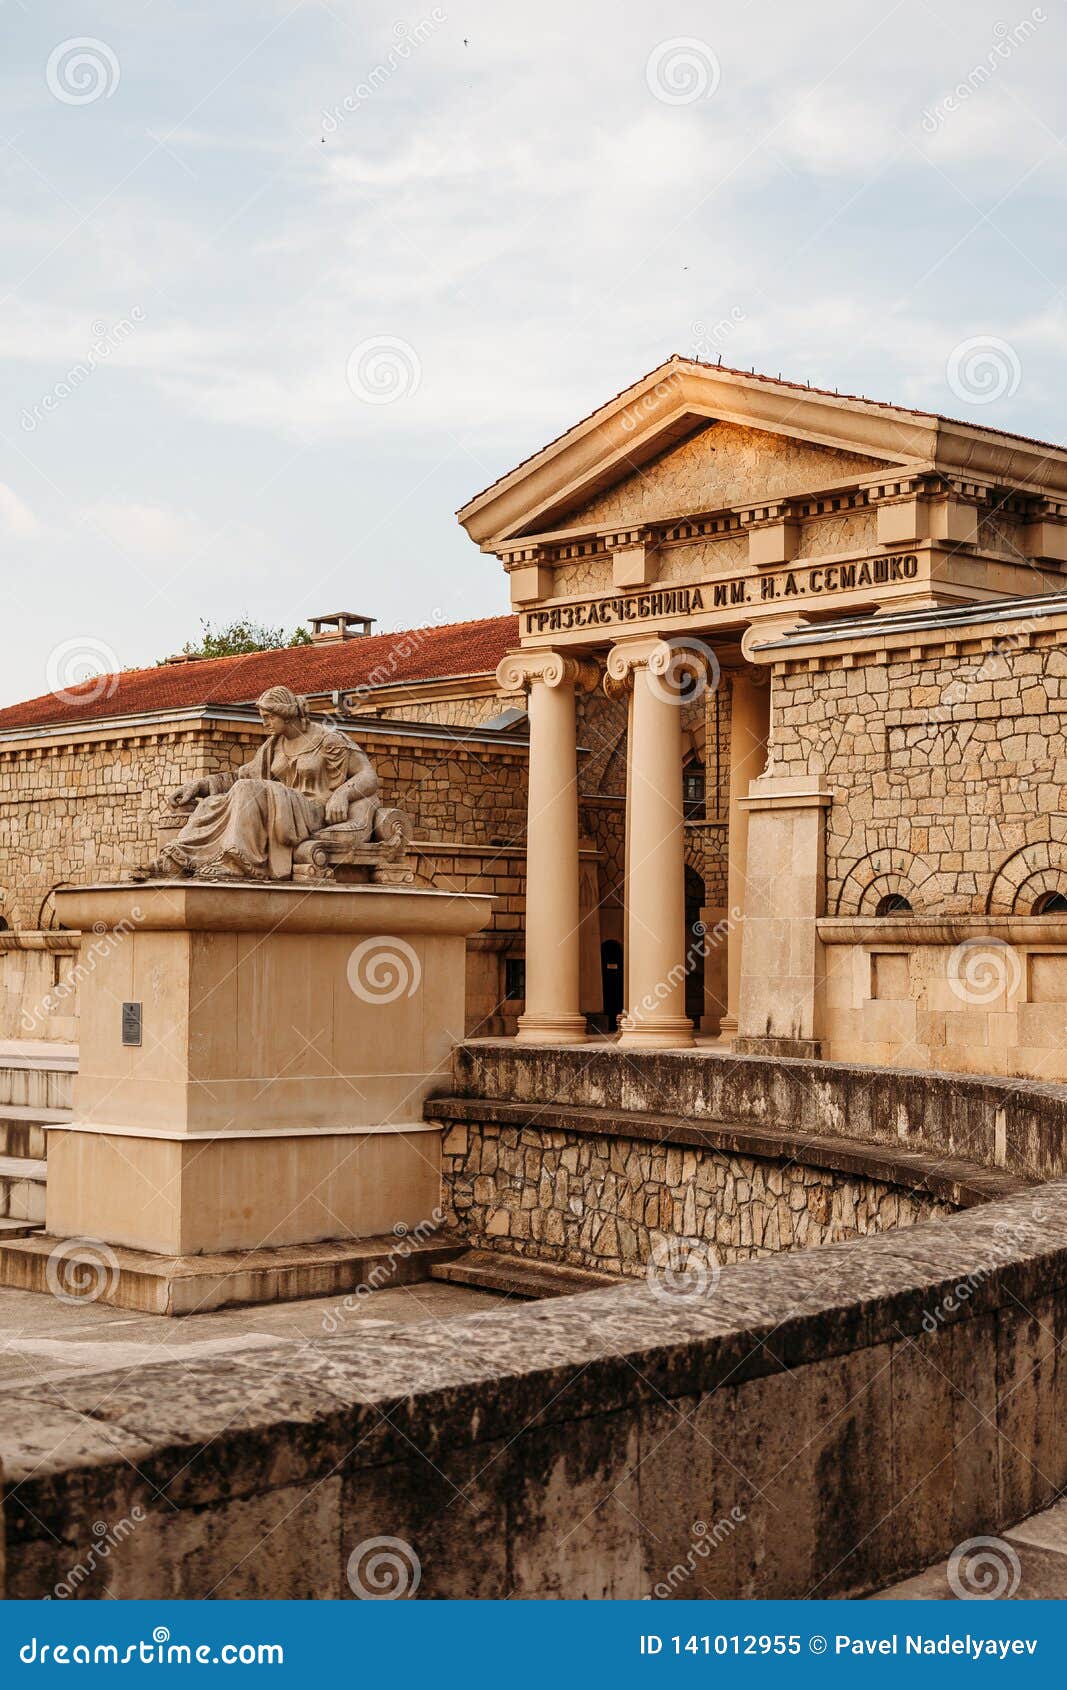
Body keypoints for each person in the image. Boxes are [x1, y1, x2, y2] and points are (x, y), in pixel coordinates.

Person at [148, 685, 380, 881]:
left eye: (270, 717)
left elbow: (368, 776)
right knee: (212, 803)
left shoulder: (328, 740)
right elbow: (242, 775)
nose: (265, 724)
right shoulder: (273, 746)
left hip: (315, 811)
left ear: (286, 714)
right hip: (282, 806)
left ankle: (239, 861)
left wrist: (342, 795)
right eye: (263, 718)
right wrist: (202, 785)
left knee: (248, 790)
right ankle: (180, 858)